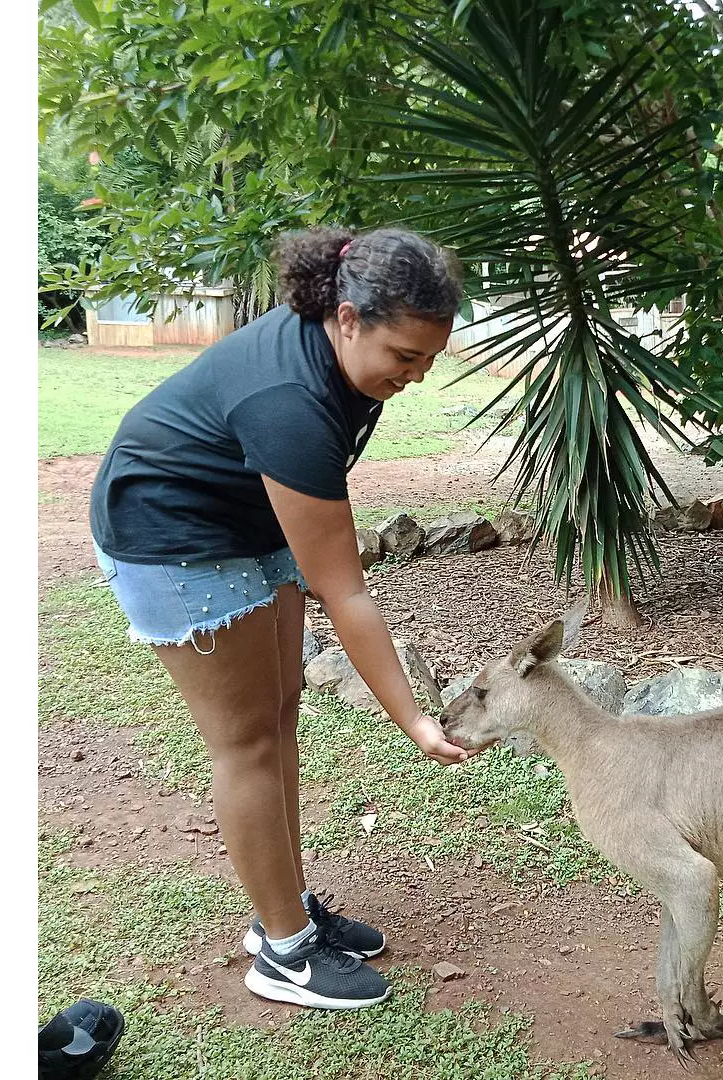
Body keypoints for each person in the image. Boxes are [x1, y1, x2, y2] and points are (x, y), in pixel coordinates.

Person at [88, 227, 472, 1010]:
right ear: (350, 317)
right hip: (174, 533)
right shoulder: (289, 400)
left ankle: (287, 913)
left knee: (284, 713)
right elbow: (348, 592)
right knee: (247, 740)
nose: (418, 376)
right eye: (405, 357)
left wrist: (395, 368)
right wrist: (416, 723)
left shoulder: (338, 355)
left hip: (252, 517)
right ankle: (285, 953)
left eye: (431, 358)